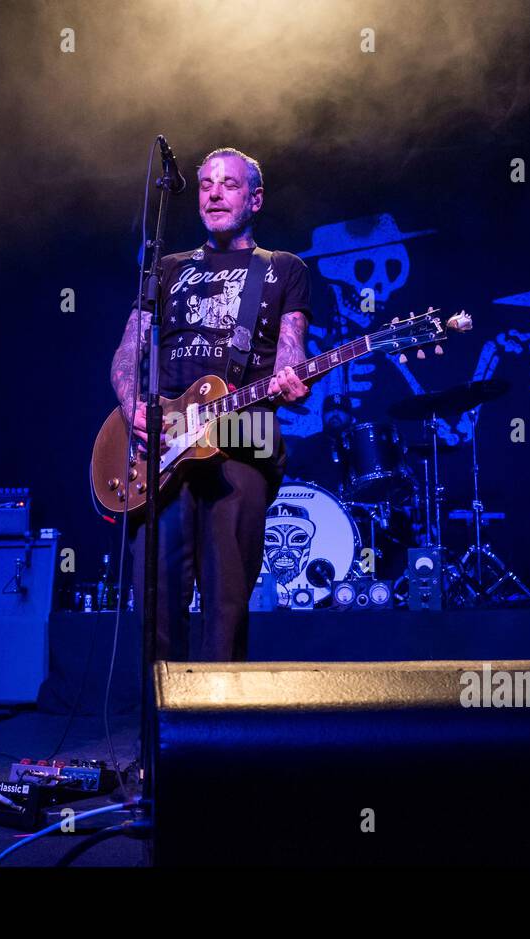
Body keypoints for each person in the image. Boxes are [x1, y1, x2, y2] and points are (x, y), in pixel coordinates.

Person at [109, 147, 313, 661]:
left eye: (230, 185)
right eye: (205, 184)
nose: (215, 194)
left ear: (255, 199)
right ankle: (160, 711)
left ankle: (221, 710)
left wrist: (291, 377)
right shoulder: (167, 268)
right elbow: (128, 350)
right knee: (155, 605)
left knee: (226, 607)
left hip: (240, 439)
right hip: (161, 447)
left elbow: (291, 349)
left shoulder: (282, 269)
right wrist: (132, 404)